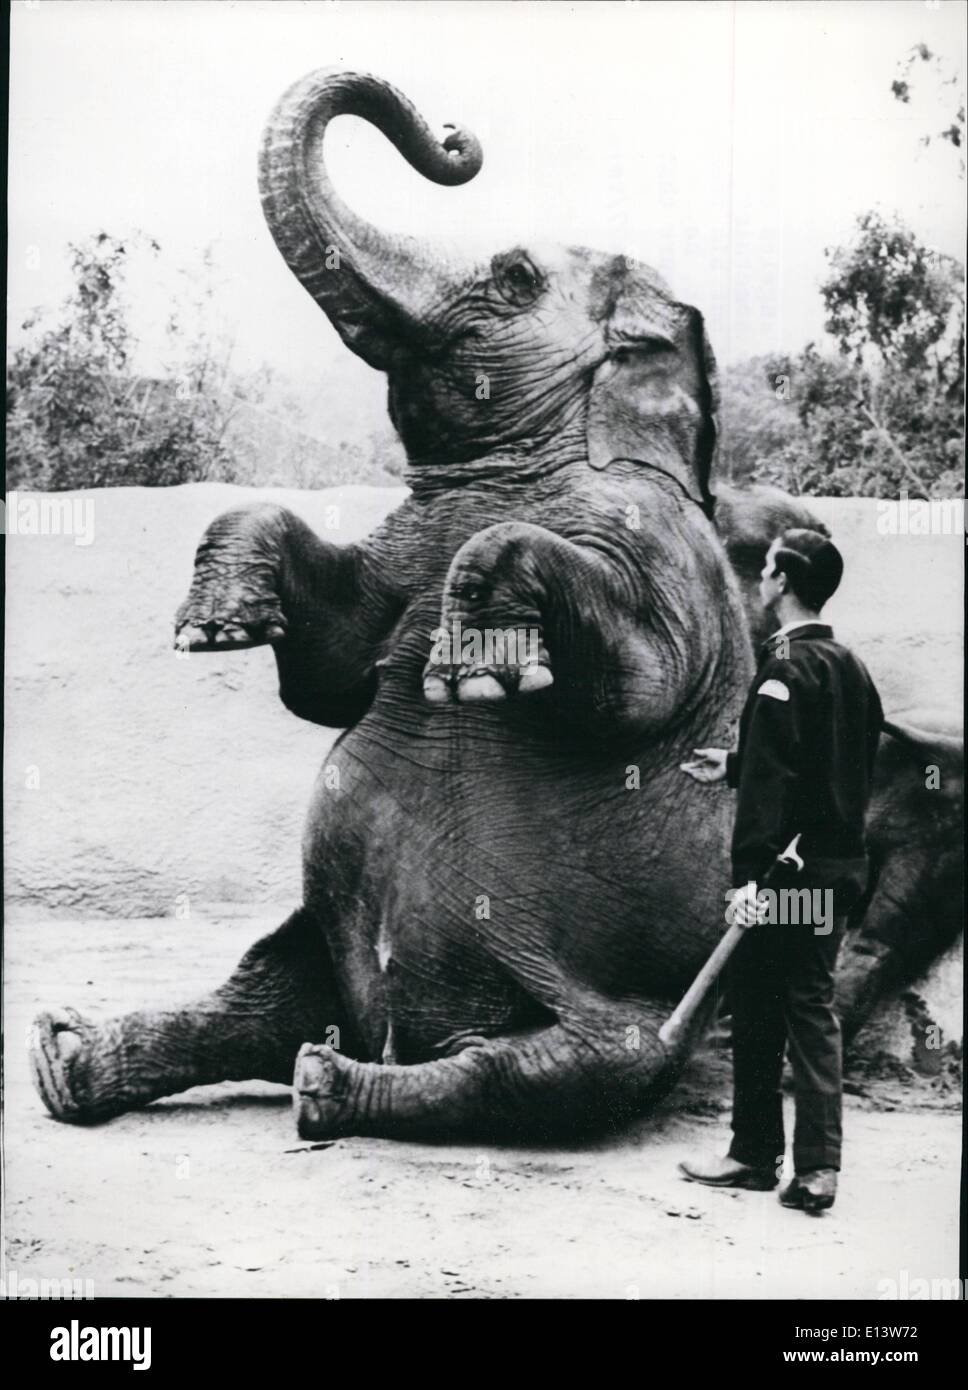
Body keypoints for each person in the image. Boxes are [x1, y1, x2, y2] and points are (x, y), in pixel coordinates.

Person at [678, 528, 883, 1214]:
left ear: (784, 580)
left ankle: (752, 1156)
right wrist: (735, 763)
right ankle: (818, 1171)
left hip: (781, 884)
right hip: (836, 876)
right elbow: (836, 767)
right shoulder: (852, 669)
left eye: (767, 570)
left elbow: (770, 796)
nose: (761, 581)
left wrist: (747, 885)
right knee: (811, 1009)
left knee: (762, 1009)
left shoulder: (780, 674)